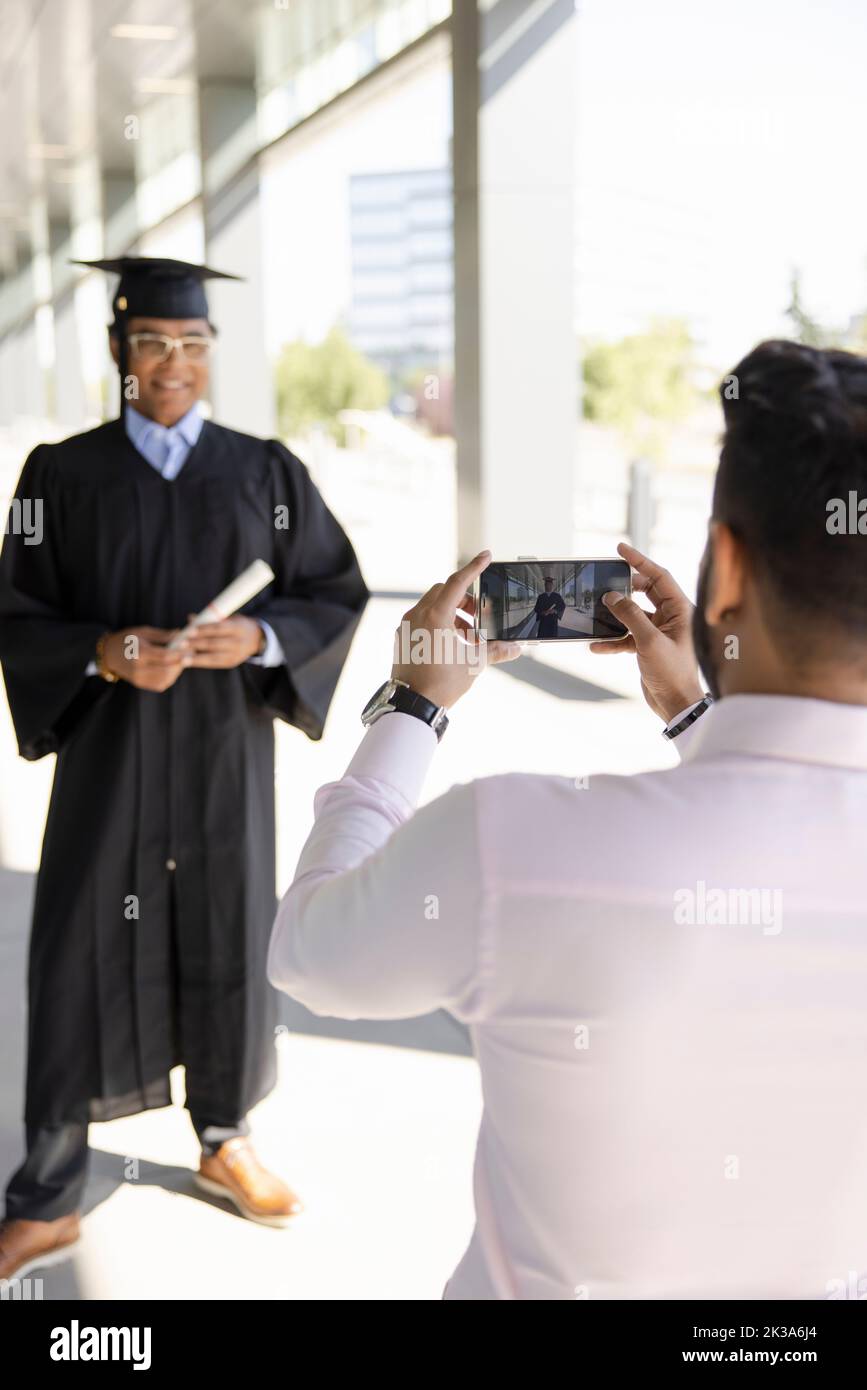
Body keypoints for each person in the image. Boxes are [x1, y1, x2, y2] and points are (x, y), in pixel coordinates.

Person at [267, 340, 867, 1299]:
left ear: (727, 571)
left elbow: (310, 956)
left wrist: (413, 709)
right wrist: (693, 711)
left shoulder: (512, 840)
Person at [0, 257, 368, 1280]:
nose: (173, 363)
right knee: (80, 943)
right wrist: (101, 652)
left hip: (219, 755)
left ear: (214, 355)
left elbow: (335, 591)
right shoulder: (58, 476)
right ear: (119, 353)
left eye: (193, 344)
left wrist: (259, 639)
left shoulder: (267, 472)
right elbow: (17, 611)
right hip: (110, 756)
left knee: (227, 926)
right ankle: (53, 1182)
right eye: (153, 342)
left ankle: (224, 1134)